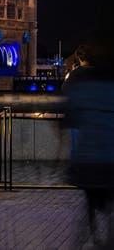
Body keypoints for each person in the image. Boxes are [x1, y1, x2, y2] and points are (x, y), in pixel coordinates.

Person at [63, 30, 114, 246]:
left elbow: (67, 115)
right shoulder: (109, 83)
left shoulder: (75, 80)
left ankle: (93, 237)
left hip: (85, 156)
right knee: (108, 203)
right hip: (109, 156)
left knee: (90, 203)